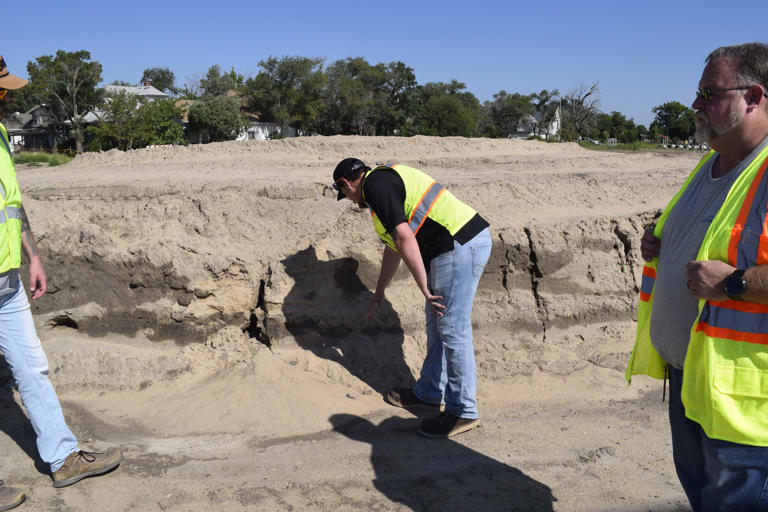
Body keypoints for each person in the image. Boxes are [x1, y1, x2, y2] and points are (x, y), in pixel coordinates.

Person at [626, 42, 768, 510]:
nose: (695, 104)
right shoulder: (712, 164)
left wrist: (734, 283)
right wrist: (660, 243)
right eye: (698, 91)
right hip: (693, 382)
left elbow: (730, 271)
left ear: (754, 97)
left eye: (710, 92)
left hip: (746, 409)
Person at [0, 55, 122, 510]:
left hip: (7, 281)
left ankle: (63, 457)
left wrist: (33, 256)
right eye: (1, 90)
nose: (8, 97)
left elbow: (12, 204)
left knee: (32, 369)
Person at [332, 157, 491, 438]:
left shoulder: (376, 186)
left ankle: (463, 410)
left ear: (345, 184)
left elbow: (405, 237)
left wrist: (424, 288)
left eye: (343, 194)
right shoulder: (381, 187)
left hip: (458, 243)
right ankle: (430, 392)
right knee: (438, 324)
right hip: (452, 247)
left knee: (452, 328)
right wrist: (380, 290)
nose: (349, 200)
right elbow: (394, 248)